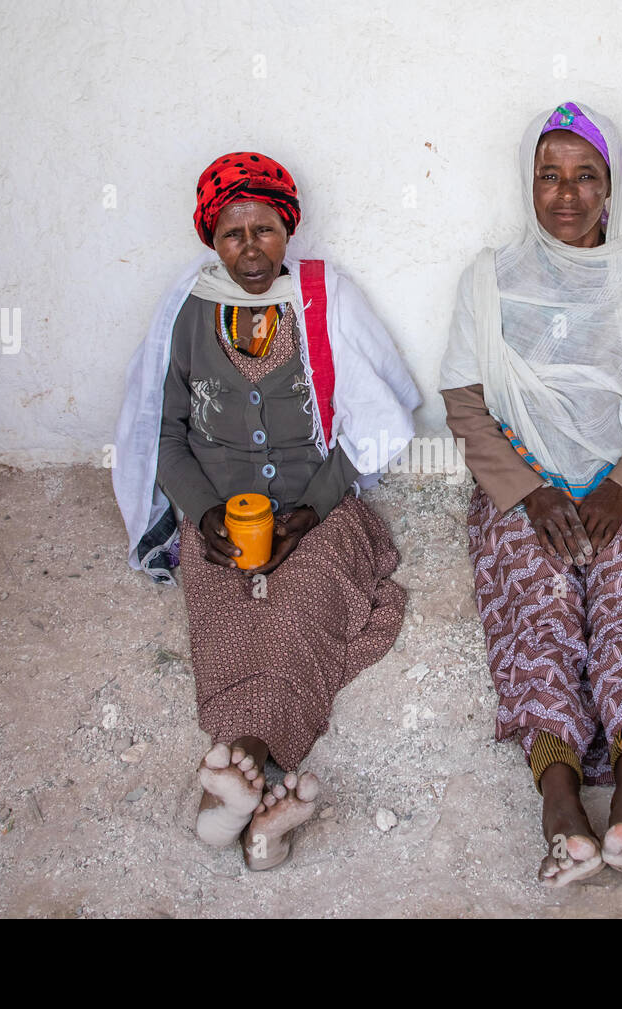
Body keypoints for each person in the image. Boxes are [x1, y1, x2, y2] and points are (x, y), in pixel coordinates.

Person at [439, 102, 622, 887]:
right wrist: (530, 494)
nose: (566, 194)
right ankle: (561, 808)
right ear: (527, 184)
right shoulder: (489, 282)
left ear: (612, 187)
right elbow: (465, 401)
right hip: (524, 481)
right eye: (548, 176)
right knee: (540, 606)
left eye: (585, 176)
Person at [113, 151, 420, 870]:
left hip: (320, 509)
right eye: (232, 234)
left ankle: (238, 782)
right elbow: (159, 432)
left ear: (289, 229)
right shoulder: (187, 313)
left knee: (301, 602)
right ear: (210, 241)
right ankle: (262, 799)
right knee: (225, 610)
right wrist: (202, 514)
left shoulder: (323, 300)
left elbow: (382, 415)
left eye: (265, 230)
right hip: (222, 513)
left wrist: (311, 511)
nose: (250, 249)